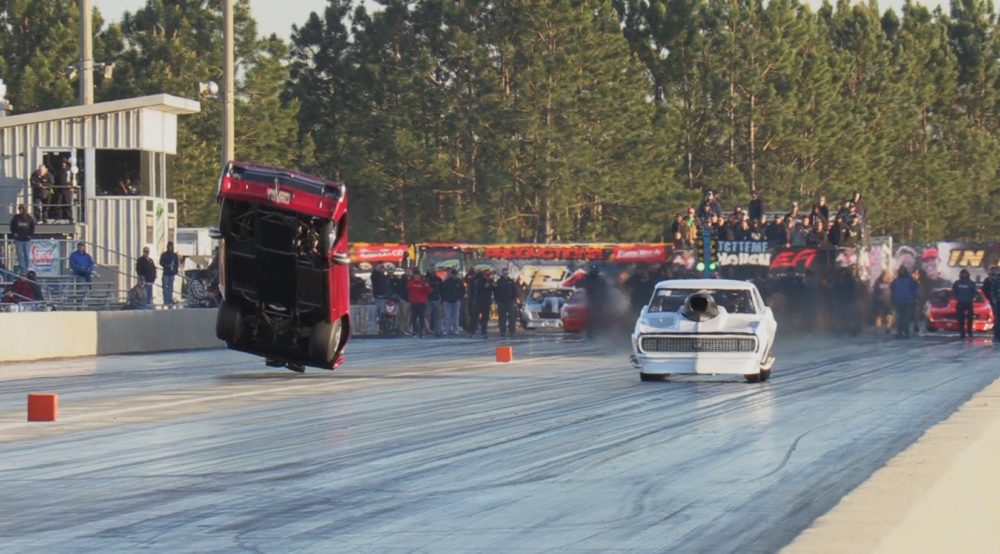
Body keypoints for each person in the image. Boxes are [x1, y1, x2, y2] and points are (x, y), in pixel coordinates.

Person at [580, 264, 609, 338]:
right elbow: (584, 287)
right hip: (592, 301)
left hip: (598, 301)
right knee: (591, 319)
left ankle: (598, 333)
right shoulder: (587, 279)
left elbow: (604, 290)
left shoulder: (600, 279)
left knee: (599, 318)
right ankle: (591, 334)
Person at [890, 267, 918, 338]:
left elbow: (892, 291)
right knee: (903, 318)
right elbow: (914, 290)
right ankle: (904, 332)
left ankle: (902, 332)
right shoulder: (910, 281)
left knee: (902, 318)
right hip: (904, 301)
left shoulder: (896, 281)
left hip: (901, 301)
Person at [952, 269, 977, 340]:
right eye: (963, 273)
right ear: (960, 274)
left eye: (965, 273)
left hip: (969, 303)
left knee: (970, 318)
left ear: (968, 274)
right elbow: (954, 291)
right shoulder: (957, 283)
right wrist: (957, 298)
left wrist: (971, 298)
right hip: (960, 303)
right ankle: (962, 333)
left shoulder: (971, 283)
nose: (964, 275)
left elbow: (975, 292)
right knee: (960, 319)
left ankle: (969, 332)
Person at [494, 268, 519, 338]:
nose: (505, 274)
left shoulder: (511, 281)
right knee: (502, 317)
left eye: (506, 273)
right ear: (502, 273)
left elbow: (515, 291)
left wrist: (513, 300)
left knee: (512, 317)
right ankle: (502, 332)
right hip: (501, 302)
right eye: (504, 273)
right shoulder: (499, 282)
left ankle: (512, 331)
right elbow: (495, 291)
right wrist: (497, 300)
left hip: (510, 301)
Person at [10, 204, 35, 271]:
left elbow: (32, 227)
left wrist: (30, 235)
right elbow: (12, 226)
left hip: (27, 239)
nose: (21, 210)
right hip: (19, 239)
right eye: (20, 209)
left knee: (26, 254)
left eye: (22, 209)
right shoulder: (16, 218)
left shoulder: (29, 218)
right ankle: (22, 268)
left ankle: (27, 268)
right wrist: (14, 234)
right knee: (20, 254)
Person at [472, 269, 496, 338]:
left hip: (487, 302)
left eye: (489, 275)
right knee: (475, 316)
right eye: (487, 275)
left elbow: (494, 289)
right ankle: (473, 331)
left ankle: (484, 331)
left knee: (485, 317)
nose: (488, 277)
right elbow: (479, 288)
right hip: (479, 301)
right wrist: (486, 285)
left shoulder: (491, 281)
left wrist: (494, 285)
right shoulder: (479, 281)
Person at [406, 271, 431, 338]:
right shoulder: (411, 282)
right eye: (416, 275)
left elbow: (428, 291)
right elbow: (408, 287)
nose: (417, 277)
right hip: (414, 302)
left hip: (422, 302)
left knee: (421, 317)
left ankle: (421, 332)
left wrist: (426, 286)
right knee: (414, 317)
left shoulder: (423, 282)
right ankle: (415, 331)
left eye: (418, 275)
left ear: (420, 276)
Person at [441, 269, 465, 336]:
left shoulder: (459, 282)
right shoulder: (446, 282)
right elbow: (443, 291)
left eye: (455, 274)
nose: (454, 276)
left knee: (456, 316)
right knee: (447, 316)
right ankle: (447, 330)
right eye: (453, 274)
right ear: (451, 274)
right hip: (447, 301)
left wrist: (460, 298)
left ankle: (456, 330)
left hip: (456, 301)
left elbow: (463, 290)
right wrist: (444, 299)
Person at [159, 241, 180, 306]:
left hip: (171, 274)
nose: (170, 247)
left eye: (171, 246)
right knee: (165, 288)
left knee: (171, 288)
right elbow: (161, 262)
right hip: (166, 274)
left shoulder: (174, 255)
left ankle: (170, 300)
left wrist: (175, 271)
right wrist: (167, 265)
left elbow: (177, 264)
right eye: (169, 246)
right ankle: (166, 301)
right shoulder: (164, 254)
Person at [983, 267, 1000, 342]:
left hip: (995, 301)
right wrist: (992, 299)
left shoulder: (993, 280)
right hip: (994, 301)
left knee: (997, 318)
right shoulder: (988, 280)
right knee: (997, 318)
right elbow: (987, 290)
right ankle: (997, 334)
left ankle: (997, 334)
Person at [425, 269, 444, 336]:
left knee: (438, 315)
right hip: (427, 299)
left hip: (436, 299)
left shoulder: (438, 279)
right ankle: (427, 330)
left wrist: (442, 298)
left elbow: (442, 289)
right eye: (431, 271)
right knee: (426, 315)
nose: (432, 272)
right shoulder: (426, 279)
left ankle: (438, 330)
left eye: (433, 271)